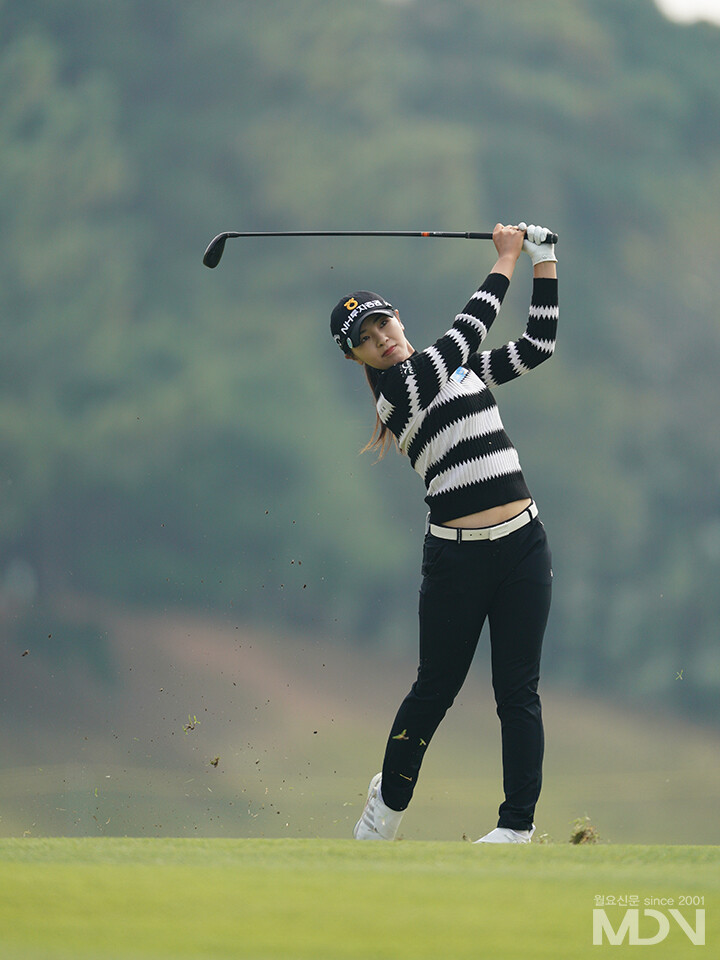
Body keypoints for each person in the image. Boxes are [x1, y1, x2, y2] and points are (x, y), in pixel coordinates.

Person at [330, 222, 558, 843]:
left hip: (522, 548)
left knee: (518, 692)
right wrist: (506, 258)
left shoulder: (461, 371)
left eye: (384, 325)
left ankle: (516, 829)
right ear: (355, 357)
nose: (382, 340)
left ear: (398, 318)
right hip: (456, 564)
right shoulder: (397, 396)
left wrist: (545, 259)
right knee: (436, 689)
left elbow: (537, 345)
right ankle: (388, 809)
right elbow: (467, 330)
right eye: (366, 340)